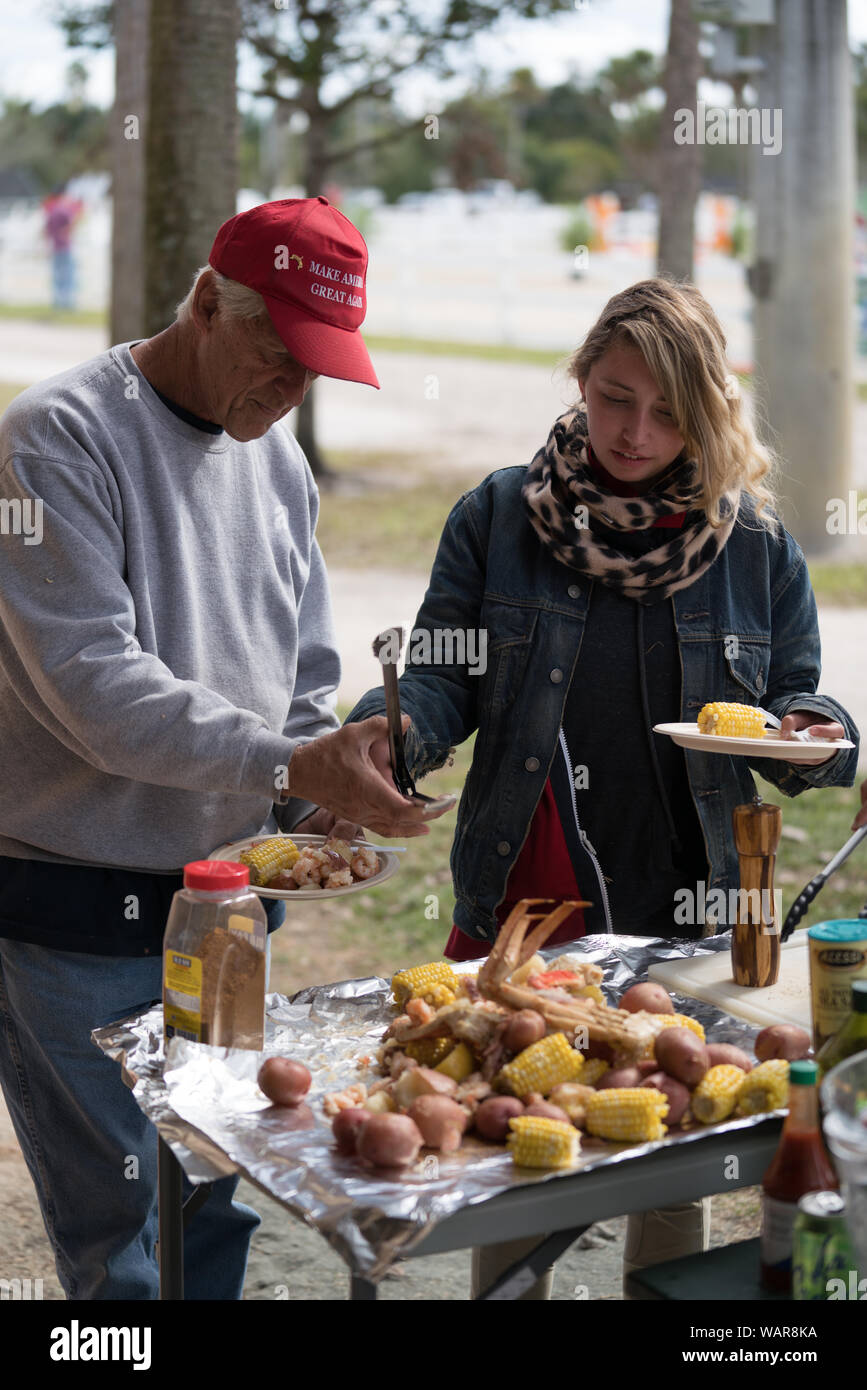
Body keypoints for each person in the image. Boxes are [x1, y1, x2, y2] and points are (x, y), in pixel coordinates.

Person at [347, 277, 860, 1298]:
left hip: (696, 895)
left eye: (668, 411)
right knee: (513, 1157)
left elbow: (797, 699)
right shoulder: (499, 513)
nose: (634, 431)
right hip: (535, 898)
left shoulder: (753, 546)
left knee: (673, 1155)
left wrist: (820, 729)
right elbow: (448, 672)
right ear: (581, 375)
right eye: (616, 395)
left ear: (707, 410)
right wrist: (396, 727)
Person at [0, 196, 446, 1300]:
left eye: (316, 368)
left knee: (213, 1185)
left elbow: (297, 679)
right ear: (206, 301)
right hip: (70, 903)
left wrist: (319, 794)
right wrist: (290, 764)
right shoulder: (55, 438)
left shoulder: (279, 462)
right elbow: (98, 691)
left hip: (231, 904)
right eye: (278, 354)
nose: (292, 389)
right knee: (116, 1224)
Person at [42, 186, 84, 311]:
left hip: (55, 246)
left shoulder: (52, 210)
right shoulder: (63, 210)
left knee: (57, 275)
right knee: (68, 275)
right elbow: (72, 223)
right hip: (65, 246)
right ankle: (67, 302)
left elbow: (46, 230)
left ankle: (58, 301)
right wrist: (67, 232)